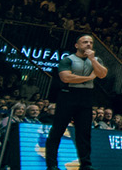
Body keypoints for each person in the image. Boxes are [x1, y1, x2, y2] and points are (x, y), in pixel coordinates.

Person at [46, 34, 108, 170]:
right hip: (68, 95)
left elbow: (102, 74)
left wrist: (92, 59)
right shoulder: (68, 60)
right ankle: (52, 165)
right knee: (57, 131)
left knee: (84, 132)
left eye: (91, 42)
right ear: (77, 45)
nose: (88, 44)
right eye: (85, 42)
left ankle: (86, 164)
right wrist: (88, 78)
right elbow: (66, 78)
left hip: (86, 97)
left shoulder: (96, 59)